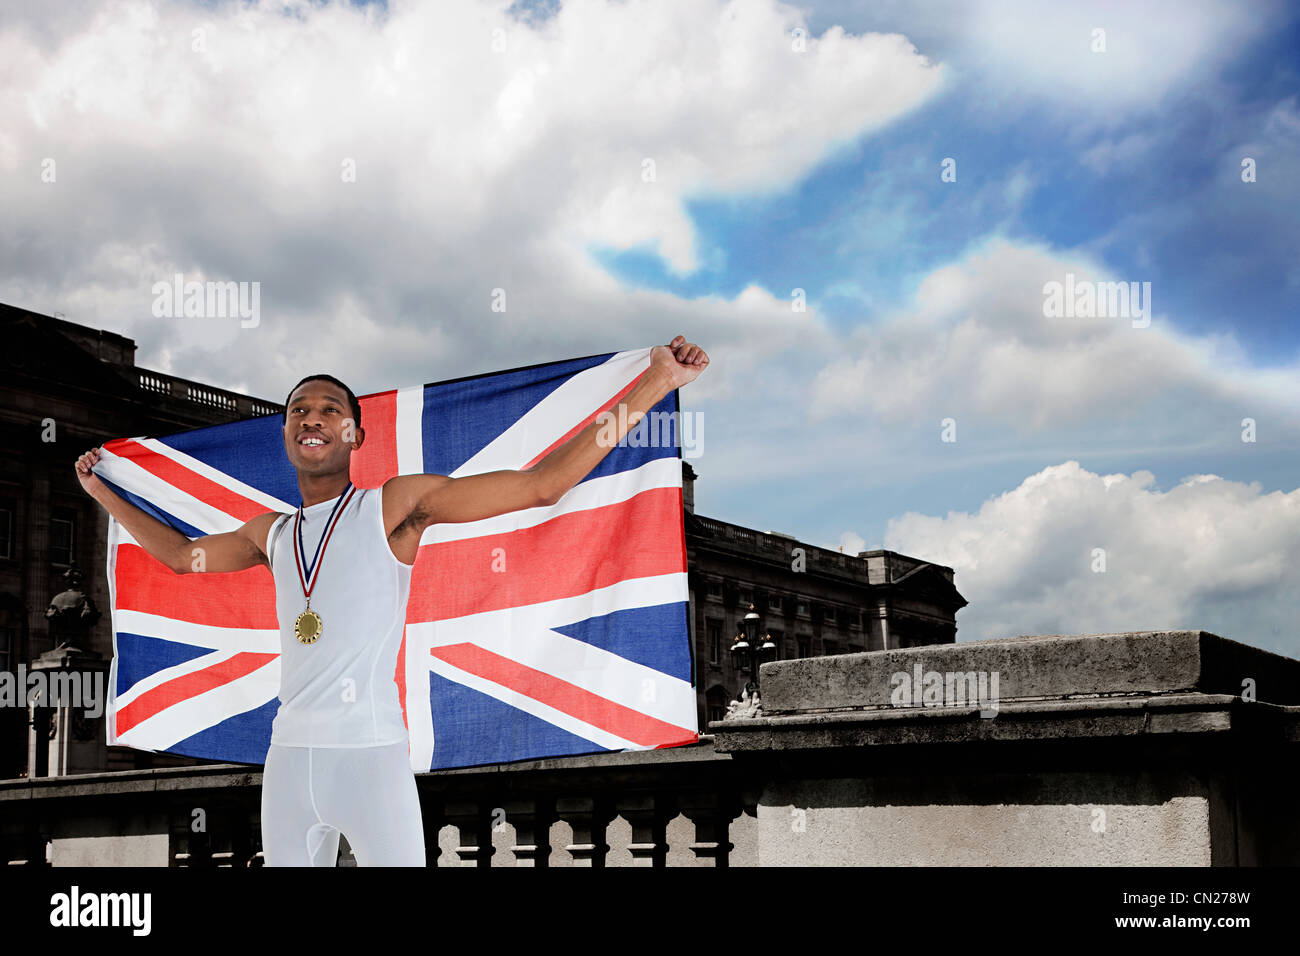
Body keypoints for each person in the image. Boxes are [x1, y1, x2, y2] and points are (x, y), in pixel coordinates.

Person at [75, 335, 709, 866]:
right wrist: (102, 491)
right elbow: (180, 557)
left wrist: (656, 381)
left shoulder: (393, 507)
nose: (312, 417)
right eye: (299, 410)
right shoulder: (270, 533)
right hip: (287, 760)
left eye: (329, 409)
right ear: (286, 433)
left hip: (370, 758)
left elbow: (542, 486)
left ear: (355, 435)